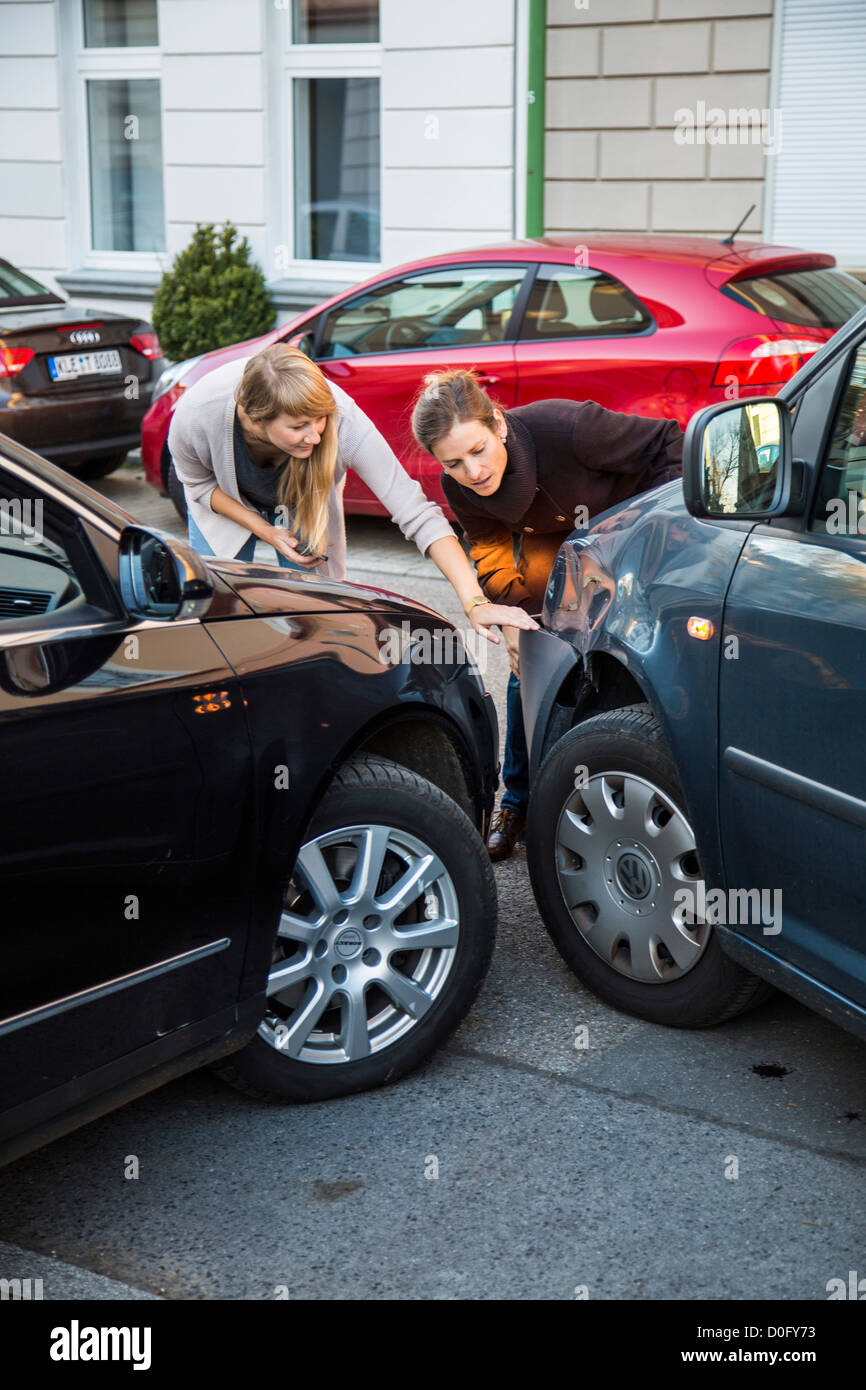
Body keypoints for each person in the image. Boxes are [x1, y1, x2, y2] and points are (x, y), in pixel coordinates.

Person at [411, 370, 684, 861]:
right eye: (453, 463)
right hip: (561, 549)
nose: (472, 472)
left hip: (634, 536)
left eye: (478, 450)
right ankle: (517, 803)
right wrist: (516, 621)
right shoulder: (462, 485)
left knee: (634, 663)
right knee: (530, 667)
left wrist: (652, 538)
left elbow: (669, 441)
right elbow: (490, 552)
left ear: (497, 424)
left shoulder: (569, 427)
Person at [167, 343, 537, 650]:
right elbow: (198, 487)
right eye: (298, 427)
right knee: (213, 609)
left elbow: (415, 511)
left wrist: (474, 601)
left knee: (314, 612)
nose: (314, 436)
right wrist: (266, 531)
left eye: (319, 420)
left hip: (302, 501)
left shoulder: (341, 414)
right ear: (258, 419)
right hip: (223, 505)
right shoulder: (197, 415)